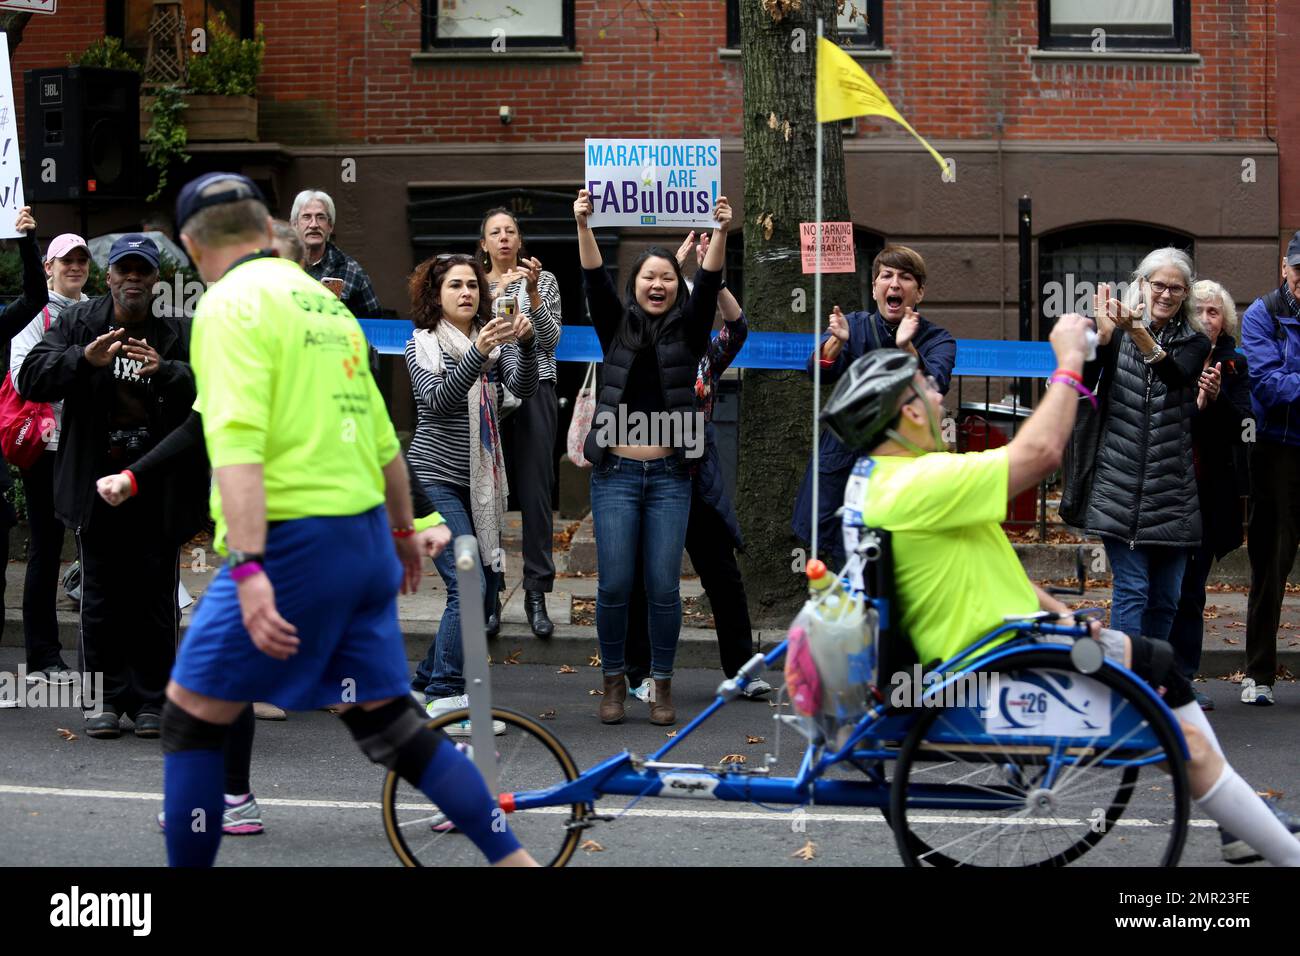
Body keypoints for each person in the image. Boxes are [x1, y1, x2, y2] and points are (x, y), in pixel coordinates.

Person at [826, 316, 1300, 866]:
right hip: (988, 670)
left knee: (1162, 671)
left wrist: (1066, 617)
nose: (937, 393)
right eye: (925, 387)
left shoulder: (891, 479)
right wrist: (1070, 358)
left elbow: (991, 568)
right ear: (907, 411)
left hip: (999, 648)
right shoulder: (915, 483)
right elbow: (1042, 453)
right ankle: (1277, 847)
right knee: (1180, 725)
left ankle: (1240, 821)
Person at [160, 171, 533, 867]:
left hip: (291, 543)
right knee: (391, 727)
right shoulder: (323, 303)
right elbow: (383, 432)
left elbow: (235, 447)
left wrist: (244, 569)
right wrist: (400, 528)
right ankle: (517, 864)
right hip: (362, 538)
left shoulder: (225, 307)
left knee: (189, 717)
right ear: (266, 227)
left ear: (190, 245)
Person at [18, 234, 208, 740]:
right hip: (96, 479)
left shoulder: (174, 331)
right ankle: (102, 700)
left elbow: (212, 389)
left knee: (153, 595)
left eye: (141, 271)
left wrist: (167, 371)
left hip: (155, 480)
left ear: (154, 280)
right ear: (110, 277)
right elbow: (31, 378)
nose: (132, 279)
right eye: (123, 270)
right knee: (100, 595)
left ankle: (151, 701)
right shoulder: (80, 323)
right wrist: (83, 359)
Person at [574, 187, 731, 726]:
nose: (658, 284)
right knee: (615, 584)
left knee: (664, 588)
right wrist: (583, 224)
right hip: (615, 474)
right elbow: (594, 278)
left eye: (667, 277)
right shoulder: (614, 325)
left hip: (670, 476)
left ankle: (662, 685)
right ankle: (614, 683)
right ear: (635, 286)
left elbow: (708, 285)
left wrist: (722, 233)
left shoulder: (689, 331)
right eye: (649, 277)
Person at [626, 230, 769, 703]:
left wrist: (711, 275)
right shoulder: (637, 340)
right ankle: (637, 674)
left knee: (722, 577)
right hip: (648, 474)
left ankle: (743, 670)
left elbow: (738, 328)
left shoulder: (705, 354)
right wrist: (667, 272)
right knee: (646, 578)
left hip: (695, 477)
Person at [405, 253, 538, 734]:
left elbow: (520, 392)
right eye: (455, 286)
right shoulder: (421, 344)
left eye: (472, 287)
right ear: (435, 296)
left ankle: (424, 685)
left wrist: (523, 344)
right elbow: (438, 400)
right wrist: (477, 355)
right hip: (430, 481)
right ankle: (446, 694)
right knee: (470, 587)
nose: (467, 293)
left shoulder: (490, 343)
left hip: (474, 485)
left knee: (480, 592)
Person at [792, 245, 956, 570]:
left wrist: (906, 346)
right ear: (875, 287)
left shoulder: (939, 339)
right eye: (887, 276)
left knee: (901, 562)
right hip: (844, 466)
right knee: (844, 563)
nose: (894, 284)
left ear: (919, 291)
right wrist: (837, 341)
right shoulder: (851, 325)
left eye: (905, 278)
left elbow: (932, 386)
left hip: (904, 472)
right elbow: (816, 371)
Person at [1085, 249, 1210, 653]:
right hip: (1120, 487)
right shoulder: (1114, 332)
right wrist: (1101, 338)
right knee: (1133, 590)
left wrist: (1136, 330)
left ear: (1185, 293)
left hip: (1173, 493)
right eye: (1159, 285)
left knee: (1167, 598)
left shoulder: (1195, 341)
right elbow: (1082, 389)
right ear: (1141, 284)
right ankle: (1127, 682)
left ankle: (1155, 680)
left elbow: (1175, 377)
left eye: (1176, 288)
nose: (1167, 294)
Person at [1167, 280, 1252, 709]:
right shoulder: (1171, 355)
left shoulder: (1234, 364)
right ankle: (1151, 678)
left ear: (1225, 321)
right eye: (1198, 310)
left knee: (1191, 590)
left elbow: (1245, 425)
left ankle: (1183, 677)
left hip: (1205, 494)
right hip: (1164, 488)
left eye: (1214, 312)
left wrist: (1215, 399)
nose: (1205, 317)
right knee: (1159, 590)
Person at [479, 207, 563, 639]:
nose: (504, 238)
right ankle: (491, 594)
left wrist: (529, 295)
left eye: (511, 231)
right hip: (486, 392)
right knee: (488, 493)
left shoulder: (542, 280)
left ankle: (536, 594)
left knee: (535, 491)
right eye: (496, 232)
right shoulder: (472, 284)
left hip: (536, 389)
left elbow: (550, 339)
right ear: (484, 244)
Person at [2, 210, 73, 691]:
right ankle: (43, 654)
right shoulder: (33, 316)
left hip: (88, 448)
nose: (74, 267)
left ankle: (112, 654)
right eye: (64, 260)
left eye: (81, 260)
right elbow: (26, 374)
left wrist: (26, 237)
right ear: (49, 266)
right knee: (46, 548)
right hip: (43, 448)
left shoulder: (97, 311)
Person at [1238, 231, 1300, 706]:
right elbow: (1268, 384)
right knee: (1269, 567)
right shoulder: (1263, 313)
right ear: (1285, 267)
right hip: (1276, 450)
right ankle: (1258, 675)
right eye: (1299, 271)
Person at [290, 189, 381, 318]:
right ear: (295, 225)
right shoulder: (281, 266)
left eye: (321, 217)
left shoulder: (351, 270)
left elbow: (374, 322)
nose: (314, 225)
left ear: (330, 226)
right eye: (306, 217)